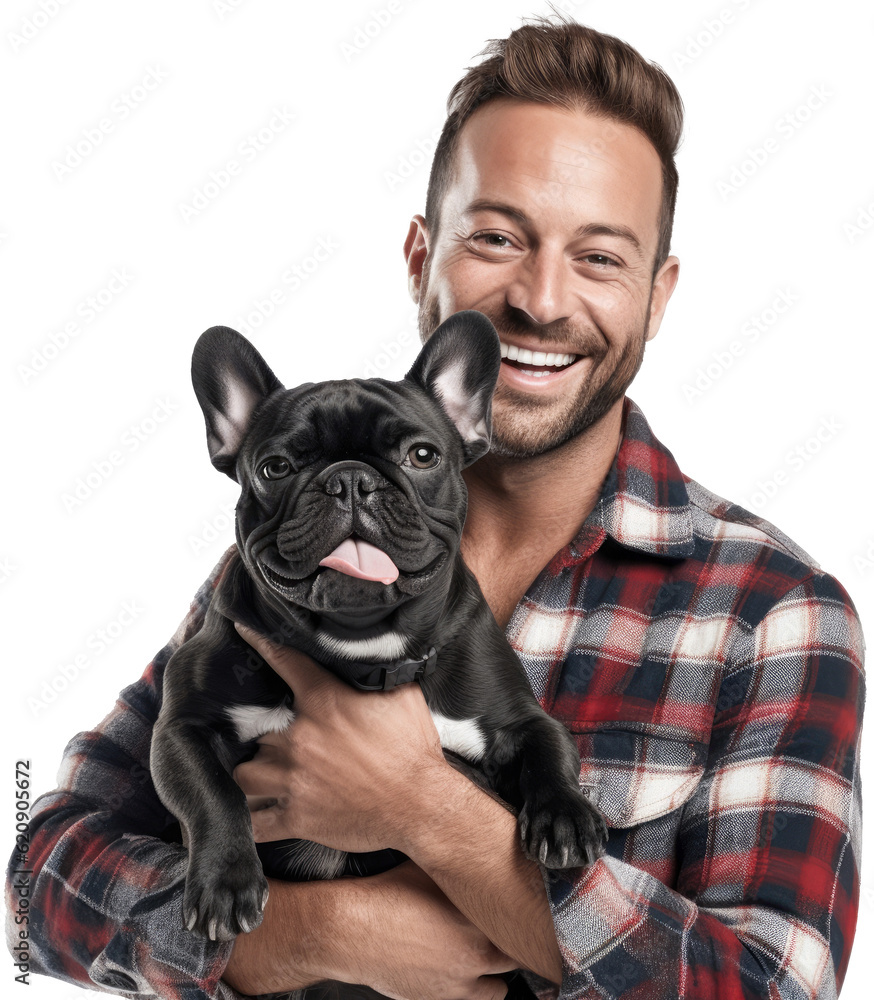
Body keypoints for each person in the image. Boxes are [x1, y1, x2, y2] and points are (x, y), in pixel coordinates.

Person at [7, 16, 864, 1000]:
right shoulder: (286, 562)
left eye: (598, 257)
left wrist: (425, 811)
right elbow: (38, 880)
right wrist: (302, 934)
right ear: (421, 258)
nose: (541, 300)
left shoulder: (771, 612)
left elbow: (768, 990)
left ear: (657, 295)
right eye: (497, 238)